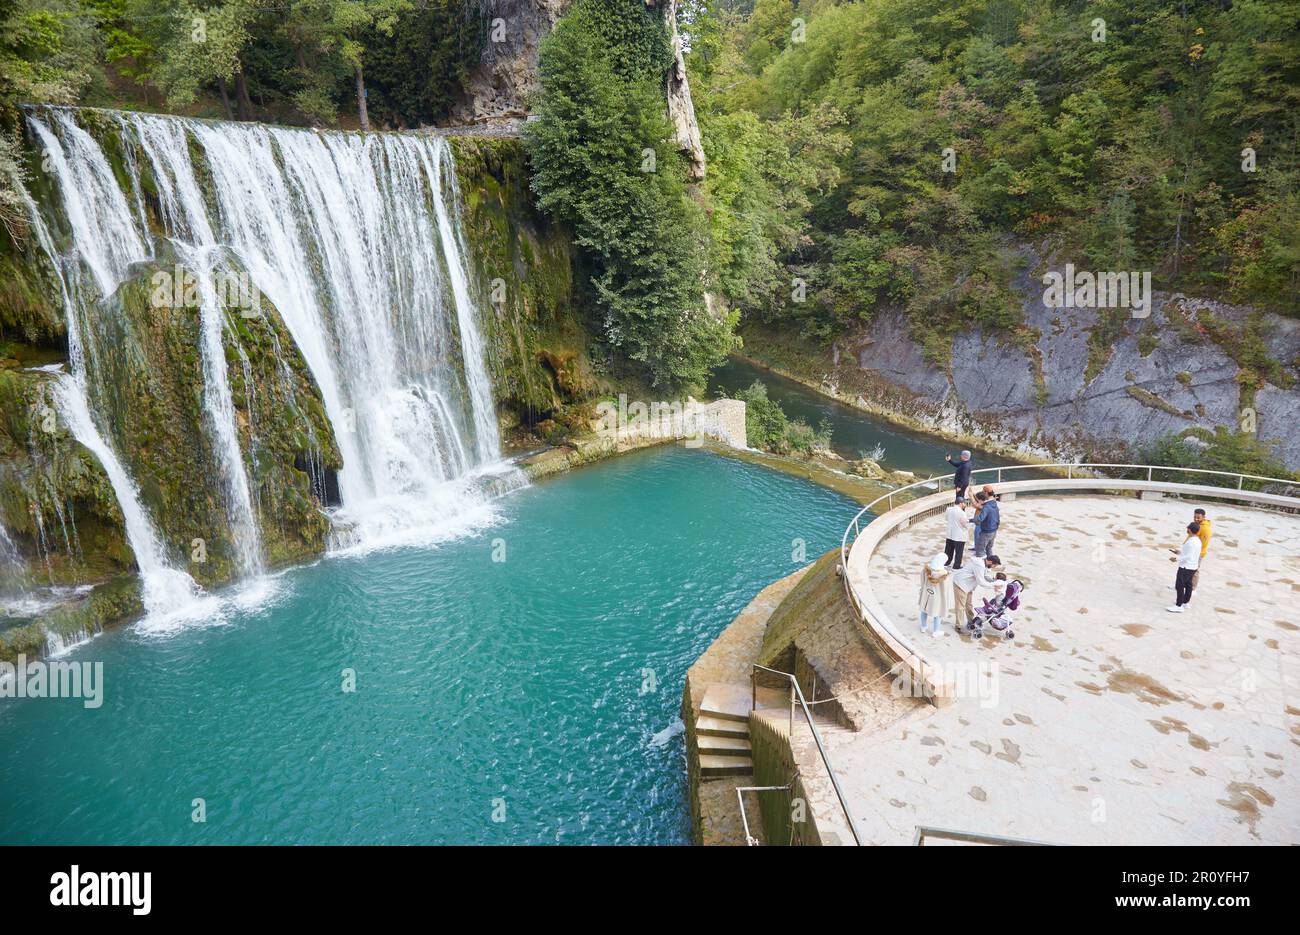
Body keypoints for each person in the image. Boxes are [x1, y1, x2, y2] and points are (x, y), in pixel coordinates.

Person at [952, 553, 1001, 632]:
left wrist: (996, 582)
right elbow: (981, 582)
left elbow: (986, 576)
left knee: (969, 605)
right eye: (994, 566)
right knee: (960, 607)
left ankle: (971, 622)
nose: (993, 568)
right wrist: (993, 586)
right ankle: (958, 627)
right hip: (960, 584)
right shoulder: (979, 565)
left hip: (968, 586)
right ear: (990, 562)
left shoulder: (984, 563)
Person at [1167, 522, 1201, 613]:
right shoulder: (1197, 541)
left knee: (1180, 585)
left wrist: (1176, 558)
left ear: (1189, 530)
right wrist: (1177, 552)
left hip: (1186, 567)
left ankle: (1178, 605)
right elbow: (1189, 553)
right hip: (1193, 566)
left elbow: (1188, 556)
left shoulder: (1191, 542)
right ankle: (1185, 602)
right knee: (1188, 585)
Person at [917, 553, 951, 638]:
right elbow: (945, 588)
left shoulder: (927, 569)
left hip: (926, 593)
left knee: (924, 609)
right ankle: (936, 631)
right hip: (937, 597)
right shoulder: (944, 574)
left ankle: (923, 627)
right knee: (938, 613)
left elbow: (922, 580)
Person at [972, 491, 1000, 558]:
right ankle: (989, 565)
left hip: (986, 531)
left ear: (980, 500)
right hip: (994, 530)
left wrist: (969, 520)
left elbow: (980, 519)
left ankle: (981, 566)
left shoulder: (986, 507)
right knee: (989, 548)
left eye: (978, 500)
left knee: (980, 551)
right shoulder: (993, 503)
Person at [943, 498, 970, 568]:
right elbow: (965, 524)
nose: (965, 505)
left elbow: (946, 519)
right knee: (959, 552)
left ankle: (946, 562)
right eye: (964, 503)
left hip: (950, 534)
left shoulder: (948, 509)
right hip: (959, 536)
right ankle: (956, 565)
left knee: (948, 550)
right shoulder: (962, 513)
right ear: (961, 503)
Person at [1191, 508, 1212, 588]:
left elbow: (1204, 543)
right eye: (1194, 517)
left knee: (1194, 570)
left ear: (1203, 517)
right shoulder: (1197, 524)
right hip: (1192, 551)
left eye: (1198, 517)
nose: (1196, 519)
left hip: (1198, 553)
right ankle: (1182, 586)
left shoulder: (1205, 528)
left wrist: (1193, 551)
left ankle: (1193, 589)